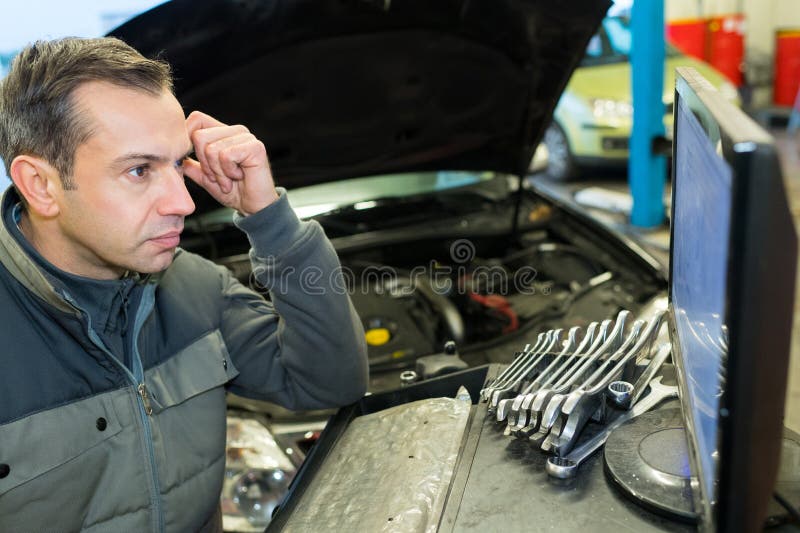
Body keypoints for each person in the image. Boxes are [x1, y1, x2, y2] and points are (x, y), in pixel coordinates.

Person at [0, 37, 368, 532]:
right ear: (41, 185)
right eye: (139, 170)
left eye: (177, 165)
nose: (184, 202)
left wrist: (269, 219)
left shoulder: (193, 285)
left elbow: (330, 382)